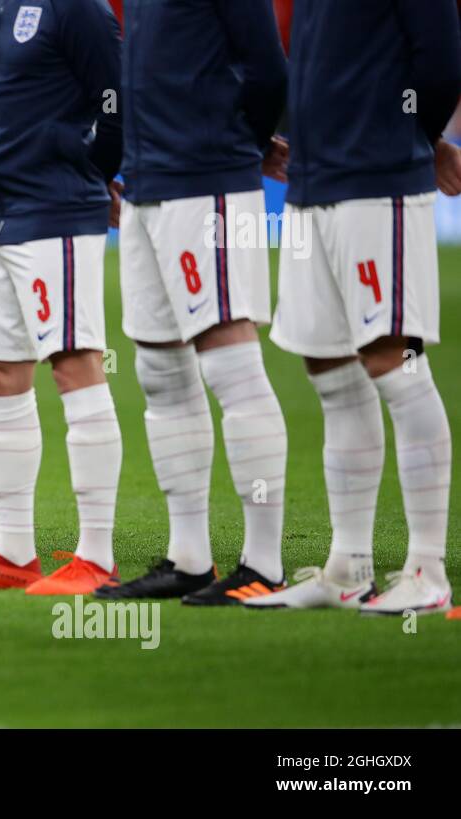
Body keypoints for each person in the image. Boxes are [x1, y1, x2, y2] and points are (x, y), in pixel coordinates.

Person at [246, 0, 461, 614]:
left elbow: (442, 66)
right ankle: (347, 569)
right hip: (313, 186)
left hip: (379, 181)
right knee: (331, 370)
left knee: (398, 362)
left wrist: (410, 135)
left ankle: (427, 569)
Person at [96, 0, 291, 605]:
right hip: (147, 183)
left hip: (209, 178)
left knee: (231, 363)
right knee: (158, 369)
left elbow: (267, 71)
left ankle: (263, 563)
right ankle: (188, 559)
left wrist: (237, 144)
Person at [0, 0, 126, 595]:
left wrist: (87, 175)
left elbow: (117, 103)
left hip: (56, 212)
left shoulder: (80, 11)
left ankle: (96, 555)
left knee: (74, 366)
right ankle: (13, 551)